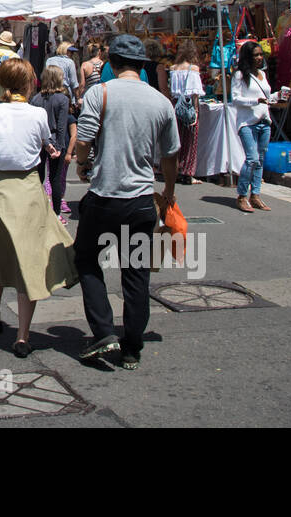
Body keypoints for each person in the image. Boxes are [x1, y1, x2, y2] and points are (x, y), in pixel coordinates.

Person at [73, 34, 180, 370]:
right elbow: (171, 156)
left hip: (104, 195)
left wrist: (81, 163)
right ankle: (132, 346)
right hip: (141, 200)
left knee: (87, 259)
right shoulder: (161, 102)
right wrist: (169, 193)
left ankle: (104, 330)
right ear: (142, 66)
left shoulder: (99, 93)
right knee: (135, 273)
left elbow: (84, 140)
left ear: (112, 64)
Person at [0, 57, 77, 358]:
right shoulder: (37, 114)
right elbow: (45, 144)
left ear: (2, 81)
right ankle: (23, 334)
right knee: (28, 260)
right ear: (29, 82)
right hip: (29, 187)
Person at [231, 41, 289, 213]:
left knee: (260, 159)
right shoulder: (240, 75)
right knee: (252, 158)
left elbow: (266, 96)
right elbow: (235, 99)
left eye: (260, 54)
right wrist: (256, 101)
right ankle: (242, 195)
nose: (259, 58)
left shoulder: (262, 75)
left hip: (264, 121)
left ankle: (255, 194)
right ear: (248, 57)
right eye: (255, 55)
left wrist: (278, 95)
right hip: (247, 123)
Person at [31, 64, 75, 220]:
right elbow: (62, 126)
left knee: (38, 176)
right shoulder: (62, 99)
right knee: (55, 179)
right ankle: (56, 213)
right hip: (56, 142)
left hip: (40, 142)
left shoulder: (35, 99)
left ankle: (36, 209)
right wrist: (59, 147)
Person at [169, 39, 204, 185]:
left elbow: (172, 90)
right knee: (190, 141)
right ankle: (187, 172)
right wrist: (196, 110)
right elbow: (195, 93)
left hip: (176, 104)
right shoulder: (194, 69)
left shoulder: (173, 68)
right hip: (188, 104)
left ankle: (175, 169)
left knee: (177, 139)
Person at [45, 41, 80, 108]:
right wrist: (77, 99)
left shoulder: (49, 60)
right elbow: (74, 83)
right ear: (65, 51)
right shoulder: (70, 62)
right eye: (71, 52)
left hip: (50, 93)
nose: (72, 54)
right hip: (65, 94)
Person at [78, 41, 104, 107]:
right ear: (99, 52)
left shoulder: (85, 65)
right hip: (102, 94)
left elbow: (82, 84)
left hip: (90, 94)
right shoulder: (103, 64)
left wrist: (79, 97)